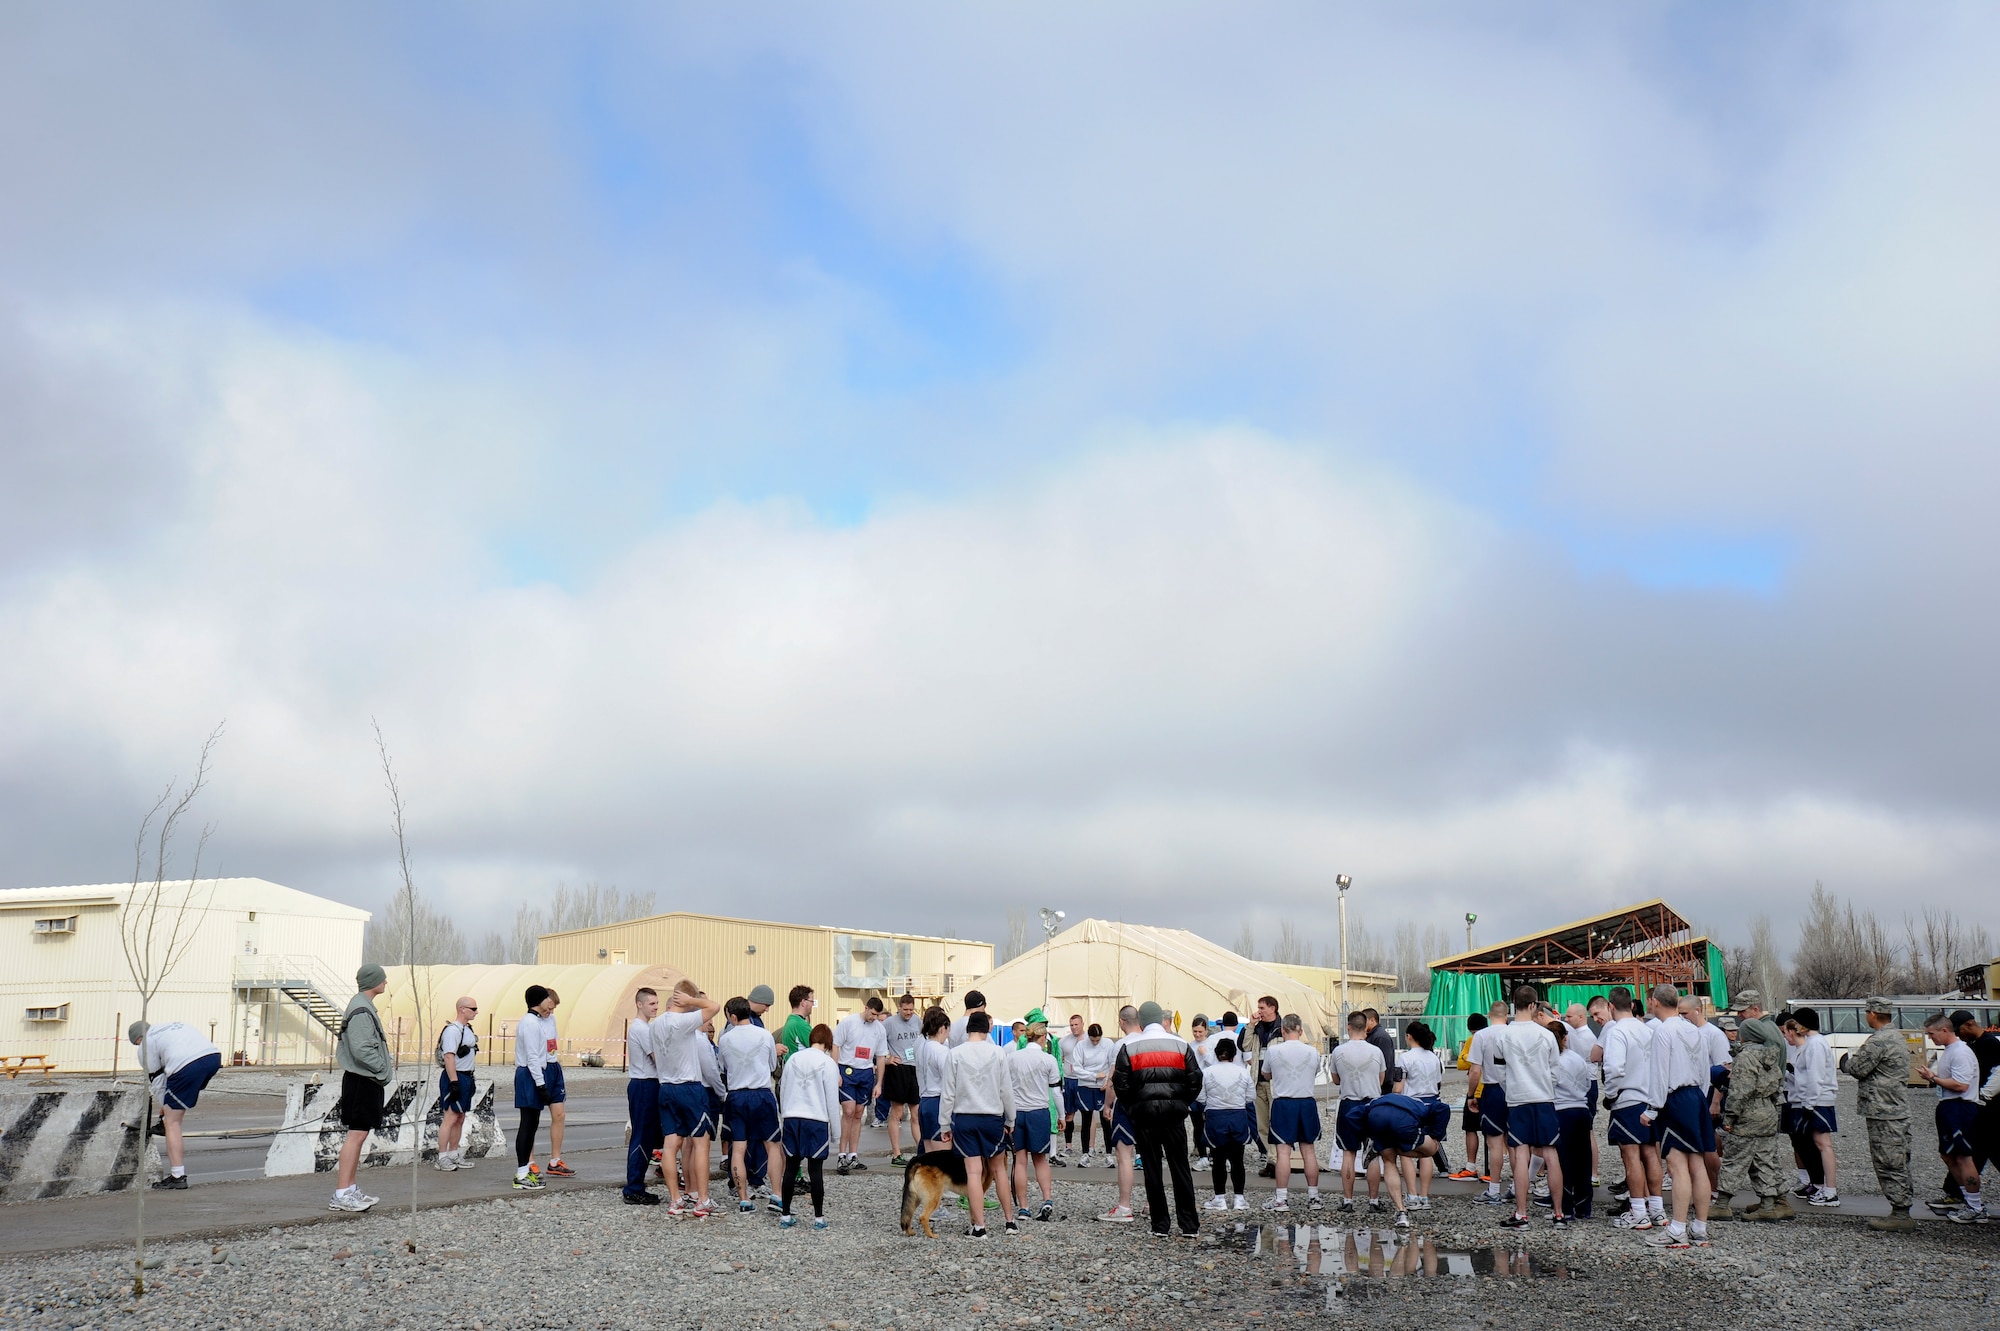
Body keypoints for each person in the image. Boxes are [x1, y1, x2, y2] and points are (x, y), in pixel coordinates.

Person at [1115, 1000, 1204, 1238]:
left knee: (1152, 1168)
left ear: (1141, 1021)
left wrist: (1133, 1107)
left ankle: (1160, 1225)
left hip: (1144, 1116)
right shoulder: (1181, 1044)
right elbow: (1195, 1079)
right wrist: (1183, 1103)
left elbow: (1121, 1084)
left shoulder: (1129, 1047)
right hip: (1174, 1114)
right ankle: (1189, 1224)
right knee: (1180, 1167)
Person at [1643, 984, 1713, 1248]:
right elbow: (1705, 1071)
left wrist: (1652, 1108)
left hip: (1675, 1098)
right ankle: (1700, 1228)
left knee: (1676, 1165)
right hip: (1696, 1097)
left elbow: (1660, 1072)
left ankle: (1677, 1229)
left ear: (1655, 1002)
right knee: (1697, 1163)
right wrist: (1700, 1100)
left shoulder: (1663, 1030)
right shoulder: (1695, 1029)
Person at [1840, 997, 1916, 1232]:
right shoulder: (1897, 1036)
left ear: (1872, 1014)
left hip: (1884, 1111)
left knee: (1888, 1161)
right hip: (1895, 1108)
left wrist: (1849, 1061)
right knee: (1898, 1159)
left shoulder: (1879, 1040)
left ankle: (1901, 1214)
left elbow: (1856, 1068)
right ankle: (1901, 1210)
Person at [940, 1010, 1018, 1238]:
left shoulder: (954, 1054)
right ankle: (1010, 1221)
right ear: (987, 1030)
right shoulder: (998, 1052)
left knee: (973, 1173)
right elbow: (1006, 1090)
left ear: (968, 1030)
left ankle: (979, 1227)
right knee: (998, 1170)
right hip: (992, 1117)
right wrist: (1011, 1118)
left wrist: (944, 1124)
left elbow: (948, 1093)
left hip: (965, 1117)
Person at [1493, 987, 1565, 1230]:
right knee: (1551, 1155)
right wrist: (1544, 1087)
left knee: (1521, 1156)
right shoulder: (1546, 1035)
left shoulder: (1502, 1036)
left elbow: (1500, 1072)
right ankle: (1558, 1214)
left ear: (1514, 1004)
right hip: (1544, 1099)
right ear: (1534, 1005)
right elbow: (1555, 1070)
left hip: (1518, 1101)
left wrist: (1513, 1088)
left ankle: (1521, 1214)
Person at [653, 980, 723, 1217]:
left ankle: (675, 1199)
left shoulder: (656, 1024)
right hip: (689, 1086)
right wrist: (693, 1001)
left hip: (666, 1086)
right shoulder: (684, 1021)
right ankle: (702, 1199)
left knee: (670, 1145)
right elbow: (714, 1006)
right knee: (701, 1142)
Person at [131, 1017, 222, 1190]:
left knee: (172, 1122)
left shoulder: (145, 1045)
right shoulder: (170, 1027)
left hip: (186, 1065)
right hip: (213, 1058)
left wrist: (165, 1110)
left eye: (136, 1044)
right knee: (176, 1105)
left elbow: (157, 1080)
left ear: (138, 1039)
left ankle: (177, 1176)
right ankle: (169, 1117)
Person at [1719, 1010, 1794, 1222]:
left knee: (1734, 1159)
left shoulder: (1745, 1058)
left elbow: (1740, 1091)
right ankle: (1770, 1205)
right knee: (1765, 1159)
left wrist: (1729, 1117)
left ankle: (1722, 1204)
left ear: (1745, 1035)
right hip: (1768, 1112)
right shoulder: (1769, 1055)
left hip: (1748, 1115)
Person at [331, 964, 391, 1211]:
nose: (386, 982)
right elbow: (362, 1049)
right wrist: (382, 1068)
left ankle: (350, 1189)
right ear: (373, 981)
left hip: (364, 1078)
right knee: (356, 1136)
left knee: (360, 1134)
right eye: (382, 978)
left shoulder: (363, 1006)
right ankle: (342, 1193)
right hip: (362, 1079)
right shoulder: (361, 1009)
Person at [1602, 988, 1662, 1229]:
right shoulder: (1647, 1029)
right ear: (1632, 1005)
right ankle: (1656, 1209)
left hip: (1627, 1098)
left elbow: (1614, 1069)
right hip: (1649, 1098)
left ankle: (1638, 1211)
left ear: (1611, 1006)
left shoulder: (1617, 1032)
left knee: (1631, 1156)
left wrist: (1610, 1094)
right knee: (1651, 1153)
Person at [1918, 1011, 1984, 1224]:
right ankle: (1968, 1200)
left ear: (1945, 1030)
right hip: (1949, 1106)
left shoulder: (1961, 1052)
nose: (1930, 1038)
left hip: (1961, 1107)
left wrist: (1933, 1078)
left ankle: (1975, 1206)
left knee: (1963, 1156)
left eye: (1931, 1034)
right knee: (1948, 1155)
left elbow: (1961, 1085)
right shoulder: (1950, 1050)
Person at [718, 996, 783, 1214]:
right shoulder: (764, 1035)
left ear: (732, 1016)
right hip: (761, 1093)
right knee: (772, 1145)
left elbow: (723, 1067)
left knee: (738, 1147)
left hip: (737, 1094)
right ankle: (777, 1195)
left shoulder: (725, 1038)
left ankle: (744, 1198)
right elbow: (772, 1064)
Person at [777, 1024, 840, 1229]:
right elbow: (832, 1099)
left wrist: (784, 1115)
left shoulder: (794, 1059)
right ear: (828, 1043)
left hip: (792, 1117)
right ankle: (818, 1218)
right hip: (816, 1119)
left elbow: (783, 1090)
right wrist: (836, 1132)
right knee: (815, 1170)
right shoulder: (828, 1063)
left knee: (790, 1168)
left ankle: (785, 1215)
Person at [1262, 1013, 1325, 1214]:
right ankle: (1314, 1197)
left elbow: (1266, 1074)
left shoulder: (1273, 1050)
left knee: (1283, 1152)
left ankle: (1281, 1199)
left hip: (1283, 1103)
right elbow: (1315, 1072)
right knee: (1309, 1151)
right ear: (1301, 1030)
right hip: (1306, 1102)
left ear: (1283, 1030)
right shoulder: (1312, 1052)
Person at [1358, 1092, 1444, 1230]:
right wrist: (1436, 1133)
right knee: (1432, 1149)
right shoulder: (1423, 1104)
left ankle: (1401, 1212)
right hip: (1404, 1121)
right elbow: (1443, 1108)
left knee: (1389, 1161)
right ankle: (1421, 1196)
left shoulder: (1372, 1103)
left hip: (1377, 1119)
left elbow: (1352, 1115)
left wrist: (1363, 1134)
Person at [1328, 1012, 1384, 1212]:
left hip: (1349, 1104)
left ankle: (1348, 1201)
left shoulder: (1338, 1051)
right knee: (1373, 1154)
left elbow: (1336, 1080)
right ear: (1366, 1027)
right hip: (1372, 1105)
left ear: (1349, 1026)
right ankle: (1373, 1201)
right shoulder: (1376, 1051)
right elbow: (1381, 1079)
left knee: (1348, 1154)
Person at [1782, 1008, 1839, 1206]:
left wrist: (1809, 1104)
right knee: (1818, 1144)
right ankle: (1824, 1188)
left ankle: (1830, 1191)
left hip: (1818, 1100)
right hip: (1815, 1099)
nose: (1795, 1027)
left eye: (1797, 1023)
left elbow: (1815, 1076)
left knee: (1823, 1145)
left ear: (1803, 1024)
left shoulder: (1815, 1044)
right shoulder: (1813, 1043)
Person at [1008, 1018, 1062, 1221]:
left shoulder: (1012, 1058)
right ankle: (1047, 1199)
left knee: (1020, 1161)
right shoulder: (1048, 1060)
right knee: (1040, 1159)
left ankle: (1023, 1207)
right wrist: (1061, 1115)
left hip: (1017, 1112)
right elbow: (1055, 1092)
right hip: (1039, 1111)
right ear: (1043, 1038)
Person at [1096, 1007, 1145, 1223]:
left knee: (1124, 1155)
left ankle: (1125, 1206)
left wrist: (1108, 1104)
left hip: (1127, 1103)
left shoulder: (1121, 1045)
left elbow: (1114, 1078)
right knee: (1150, 1154)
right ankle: (1153, 1202)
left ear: (1122, 1022)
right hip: (1149, 1103)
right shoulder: (1148, 1041)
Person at [1198, 1036, 1254, 1211]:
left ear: (1216, 1054)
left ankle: (1220, 1198)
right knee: (1238, 1159)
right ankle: (1239, 1198)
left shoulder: (1207, 1072)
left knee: (1218, 1158)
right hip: (1238, 1115)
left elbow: (1200, 1097)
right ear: (1234, 1055)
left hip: (1216, 1116)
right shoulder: (1243, 1072)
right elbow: (1250, 1097)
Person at [1466, 1000, 1513, 1206]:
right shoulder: (1514, 1033)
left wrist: (1471, 1095)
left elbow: (1475, 1071)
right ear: (1507, 1015)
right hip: (1515, 1089)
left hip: (1493, 1089)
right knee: (1515, 1143)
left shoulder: (1481, 1036)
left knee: (1495, 1143)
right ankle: (1517, 1186)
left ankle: (1494, 1189)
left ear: (1489, 1015)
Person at [832, 996, 886, 1174]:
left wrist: (879, 1083)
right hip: (847, 1070)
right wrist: (835, 1071)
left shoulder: (879, 1029)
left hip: (866, 1072)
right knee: (848, 1111)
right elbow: (836, 1045)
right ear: (866, 1007)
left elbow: (881, 1056)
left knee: (858, 1113)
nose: (874, 1018)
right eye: (872, 1014)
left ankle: (853, 1155)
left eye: (877, 1015)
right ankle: (841, 1154)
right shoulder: (849, 1022)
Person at [1397, 1023, 1449, 1207]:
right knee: (1427, 1152)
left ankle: (1412, 1195)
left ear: (1409, 1036)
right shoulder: (1434, 1058)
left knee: (1405, 1150)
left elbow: (1398, 1087)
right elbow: (1438, 1083)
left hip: (1412, 1106)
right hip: (1433, 1104)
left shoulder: (1405, 1058)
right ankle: (1424, 1196)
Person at [621, 988, 662, 1204]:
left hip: (647, 1083)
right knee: (642, 1136)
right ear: (640, 1004)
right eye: (652, 1004)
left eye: (656, 1003)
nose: (656, 1007)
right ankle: (634, 1186)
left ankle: (637, 1184)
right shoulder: (641, 1029)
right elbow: (657, 1059)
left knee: (648, 1136)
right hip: (645, 1083)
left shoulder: (646, 1028)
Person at [1552, 1020, 1594, 1220]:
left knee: (1563, 1160)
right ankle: (1584, 1206)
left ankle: (1566, 1207)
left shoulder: (1550, 1061)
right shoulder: (1577, 1058)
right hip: (1581, 1109)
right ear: (1565, 1038)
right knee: (1583, 1158)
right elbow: (1587, 1083)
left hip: (1561, 1110)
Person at [434, 996, 480, 1172]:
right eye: (473, 1009)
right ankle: (442, 1157)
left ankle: (453, 1153)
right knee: (450, 1117)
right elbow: (448, 1056)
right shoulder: (453, 1031)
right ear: (462, 1009)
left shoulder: (466, 1029)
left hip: (466, 1076)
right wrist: (454, 1082)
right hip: (456, 1076)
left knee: (460, 1117)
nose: (476, 1012)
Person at [879, 992, 925, 1164]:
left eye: (911, 1010)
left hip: (914, 1068)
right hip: (898, 1069)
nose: (908, 1013)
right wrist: (887, 1059)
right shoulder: (889, 1023)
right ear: (899, 1007)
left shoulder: (917, 1021)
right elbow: (878, 1042)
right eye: (905, 1010)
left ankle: (921, 1151)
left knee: (916, 1113)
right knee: (897, 1113)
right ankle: (896, 1154)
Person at [534, 988, 574, 1178]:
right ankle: (530, 1162)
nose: (550, 1011)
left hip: (553, 1066)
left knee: (559, 1114)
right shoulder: (531, 1022)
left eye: (553, 1008)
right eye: (549, 1007)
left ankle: (555, 1160)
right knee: (532, 1119)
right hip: (539, 1068)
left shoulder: (552, 1019)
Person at [1562, 1004, 1601, 1186]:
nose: (1566, 1020)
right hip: (1585, 1084)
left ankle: (1592, 1173)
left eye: (1569, 1016)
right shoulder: (1578, 1035)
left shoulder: (1584, 1037)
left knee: (1587, 1130)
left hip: (1587, 1084)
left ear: (1580, 1016)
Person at [1449, 1013, 1489, 1181]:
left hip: (1477, 1090)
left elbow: (1462, 1064)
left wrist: (1467, 1057)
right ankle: (1492, 1172)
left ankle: (1471, 1167)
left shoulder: (1473, 1040)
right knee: (1494, 1132)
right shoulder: (1496, 1036)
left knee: (1471, 1128)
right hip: (1494, 1090)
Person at [1067, 1021, 1113, 1167]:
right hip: (1086, 1085)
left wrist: (1107, 1081)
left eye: (1097, 1040)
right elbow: (1077, 1068)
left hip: (1102, 1087)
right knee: (1086, 1120)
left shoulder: (1108, 1044)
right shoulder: (1081, 1046)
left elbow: (1112, 1064)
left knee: (1106, 1119)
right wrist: (1093, 1076)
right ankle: (1085, 1153)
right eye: (1093, 1040)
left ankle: (1109, 1154)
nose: (1095, 1042)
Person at [1247, 996, 1282, 1175]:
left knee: (1276, 1121)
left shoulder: (1282, 1028)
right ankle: (1271, 1159)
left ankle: (1278, 1161)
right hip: (1258, 1081)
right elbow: (1244, 1046)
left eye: (1262, 1007)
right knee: (1262, 1125)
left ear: (1272, 1008)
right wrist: (1250, 1025)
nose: (1259, 1011)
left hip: (1276, 1083)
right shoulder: (1256, 1028)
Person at [916, 1006, 953, 1150]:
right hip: (938, 1102)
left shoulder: (920, 1047)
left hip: (924, 1101)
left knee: (928, 1153)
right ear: (942, 1028)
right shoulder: (941, 1050)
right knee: (942, 1155)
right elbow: (949, 1081)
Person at [1057, 1012, 1089, 1163]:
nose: (1074, 1027)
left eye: (1076, 1024)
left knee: (1087, 1114)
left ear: (1082, 1024)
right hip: (1069, 1080)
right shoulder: (1064, 1041)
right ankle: (1068, 1146)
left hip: (1084, 1080)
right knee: (1069, 1113)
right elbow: (1059, 1058)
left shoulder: (1089, 1039)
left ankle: (1089, 1147)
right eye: (1071, 1025)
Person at [1187, 1015, 1212, 1172]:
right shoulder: (1190, 1046)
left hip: (1207, 1089)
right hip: (1193, 1090)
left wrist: (1205, 1054)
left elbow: (1214, 1064)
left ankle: (1213, 1154)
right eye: (1195, 1031)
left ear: (1206, 1031)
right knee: (1197, 1124)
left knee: (1210, 1123)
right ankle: (1202, 1155)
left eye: (1200, 1031)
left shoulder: (1210, 1044)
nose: (1197, 1034)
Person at [1362, 1009, 1401, 1097]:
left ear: (1372, 1020)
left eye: (1364, 1021)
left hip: (1382, 1087)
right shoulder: (1373, 1035)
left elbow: (1385, 1062)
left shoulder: (1380, 1037)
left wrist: (1379, 1083)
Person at [780, 986, 815, 1060]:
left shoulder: (790, 1021)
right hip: (800, 1066)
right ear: (803, 1002)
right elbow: (818, 1049)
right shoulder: (800, 1025)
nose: (812, 1004)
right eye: (811, 1001)